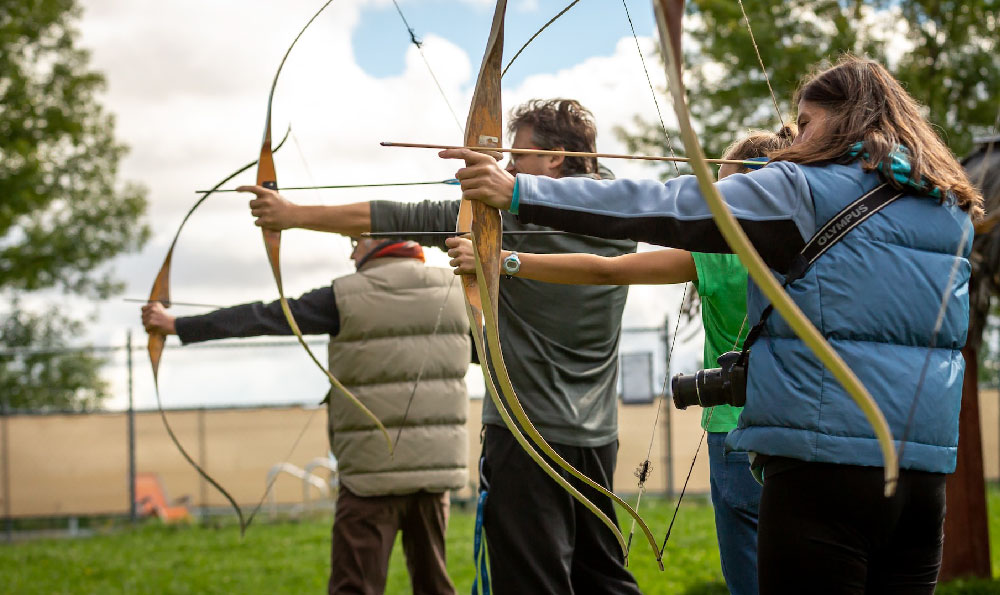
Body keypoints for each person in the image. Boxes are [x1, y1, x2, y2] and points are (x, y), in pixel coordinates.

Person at [441, 56, 982, 593]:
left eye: (807, 122)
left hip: (822, 470)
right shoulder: (947, 204)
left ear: (844, 120)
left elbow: (666, 202)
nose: (794, 138)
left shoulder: (801, 189)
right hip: (920, 476)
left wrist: (520, 191)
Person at [242, 99, 644, 594]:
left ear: (556, 157)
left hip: (525, 437)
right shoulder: (623, 214)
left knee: (531, 582)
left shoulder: (506, 223)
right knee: (602, 576)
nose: (508, 167)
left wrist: (291, 213)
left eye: (517, 156)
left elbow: (398, 216)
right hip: (598, 436)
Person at [446, 128, 793, 595]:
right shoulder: (822, 249)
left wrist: (502, 260)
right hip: (806, 433)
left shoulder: (722, 253)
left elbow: (604, 270)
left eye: (728, 191)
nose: (721, 211)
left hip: (735, 434)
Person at [141, 237, 469, 595]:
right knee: (434, 584)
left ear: (379, 239)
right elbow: (492, 354)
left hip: (370, 476)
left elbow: (264, 316)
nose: (352, 252)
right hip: (435, 477)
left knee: (354, 587)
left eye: (356, 242)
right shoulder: (456, 292)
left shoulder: (346, 295)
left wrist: (177, 325)